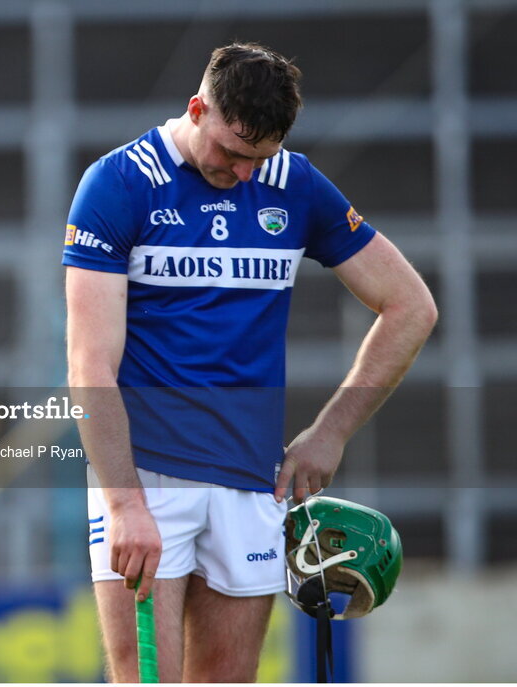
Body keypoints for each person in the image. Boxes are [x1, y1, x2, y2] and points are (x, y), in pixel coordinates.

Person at [63, 44, 436, 682]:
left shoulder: (293, 184)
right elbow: (89, 364)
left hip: (250, 482)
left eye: (257, 158)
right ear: (197, 108)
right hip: (148, 479)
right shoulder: (118, 184)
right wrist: (124, 502)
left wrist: (331, 432)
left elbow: (411, 307)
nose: (241, 173)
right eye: (230, 152)